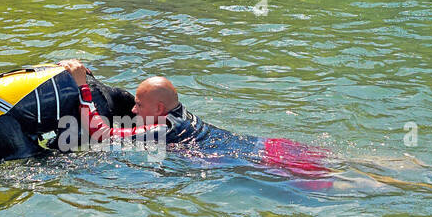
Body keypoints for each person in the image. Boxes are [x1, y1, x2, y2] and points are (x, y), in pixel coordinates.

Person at [55, 59, 334, 177]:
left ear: (160, 109)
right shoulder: (179, 113)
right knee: (356, 166)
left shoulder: (165, 127)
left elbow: (101, 134)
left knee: (356, 184)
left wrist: (81, 85)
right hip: (272, 146)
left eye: (139, 105)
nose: (134, 111)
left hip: (267, 163)